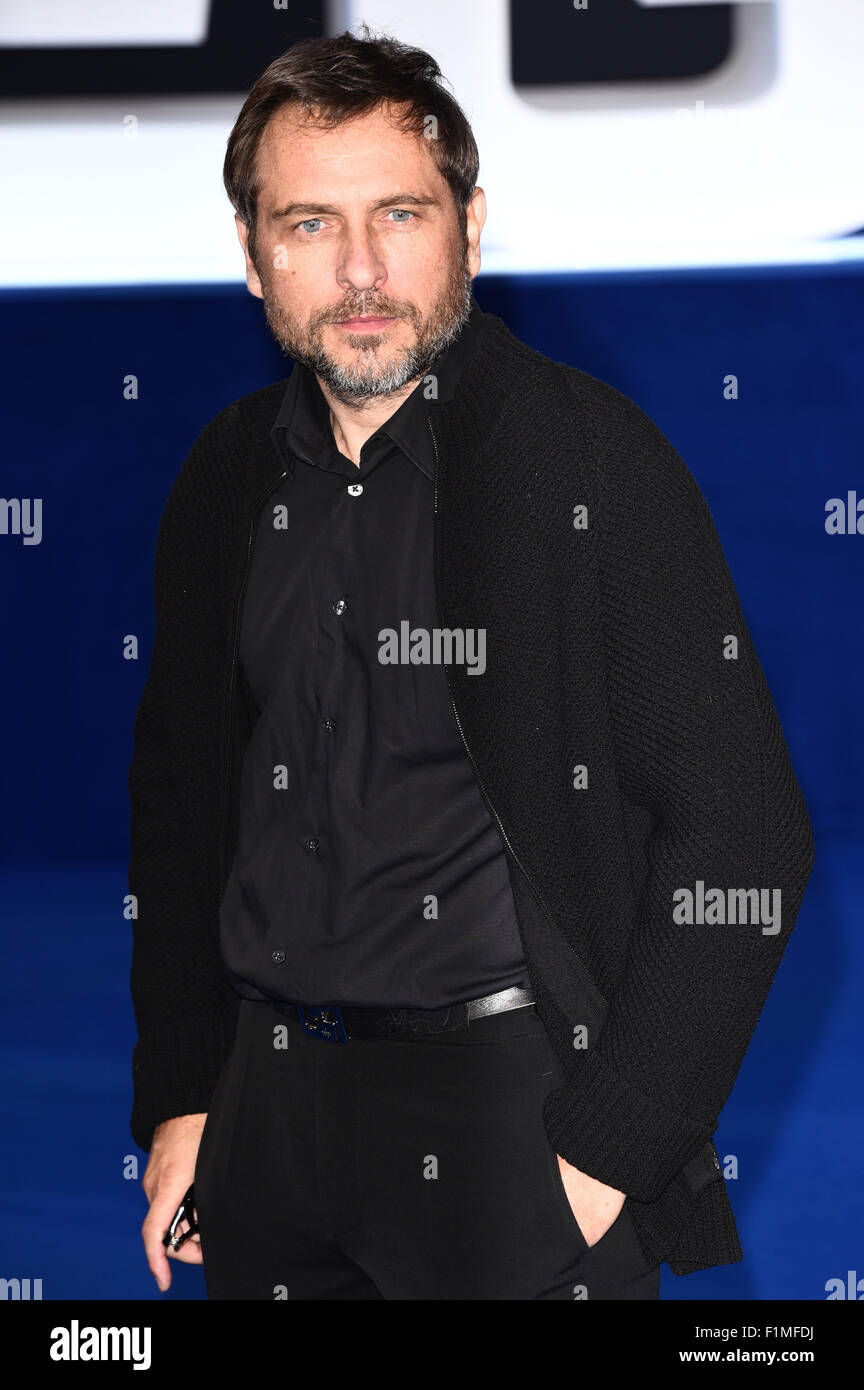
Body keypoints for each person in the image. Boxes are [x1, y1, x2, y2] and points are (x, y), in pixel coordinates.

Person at [129, 27, 814, 1301]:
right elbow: (178, 810)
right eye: (310, 225)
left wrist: (613, 1146)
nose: (364, 270)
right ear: (250, 255)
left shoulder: (590, 464)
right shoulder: (224, 481)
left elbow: (746, 832)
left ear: (472, 224)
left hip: (513, 1119)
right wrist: (182, 1096)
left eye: (401, 212)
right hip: (267, 1114)